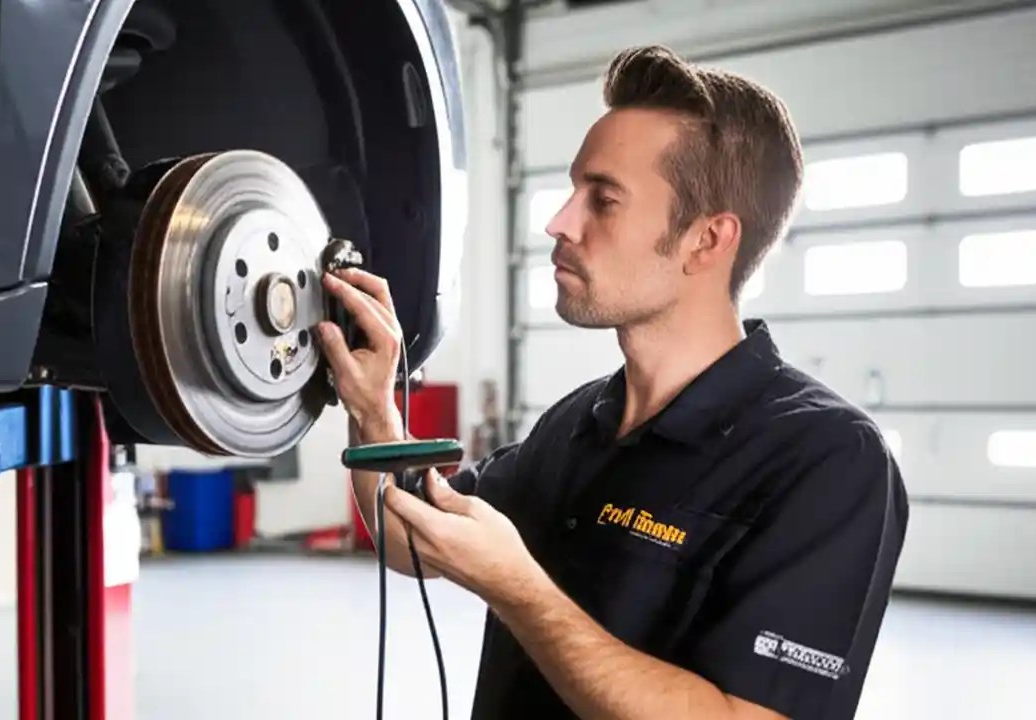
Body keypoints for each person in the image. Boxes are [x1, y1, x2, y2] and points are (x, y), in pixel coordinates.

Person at [315, 44, 908, 720]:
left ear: (706, 241)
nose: (559, 222)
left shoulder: (829, 459)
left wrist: (521, 590)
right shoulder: (575, 424)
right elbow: (411, 543)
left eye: (603, 199)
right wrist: (371, 404)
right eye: (573, 191)